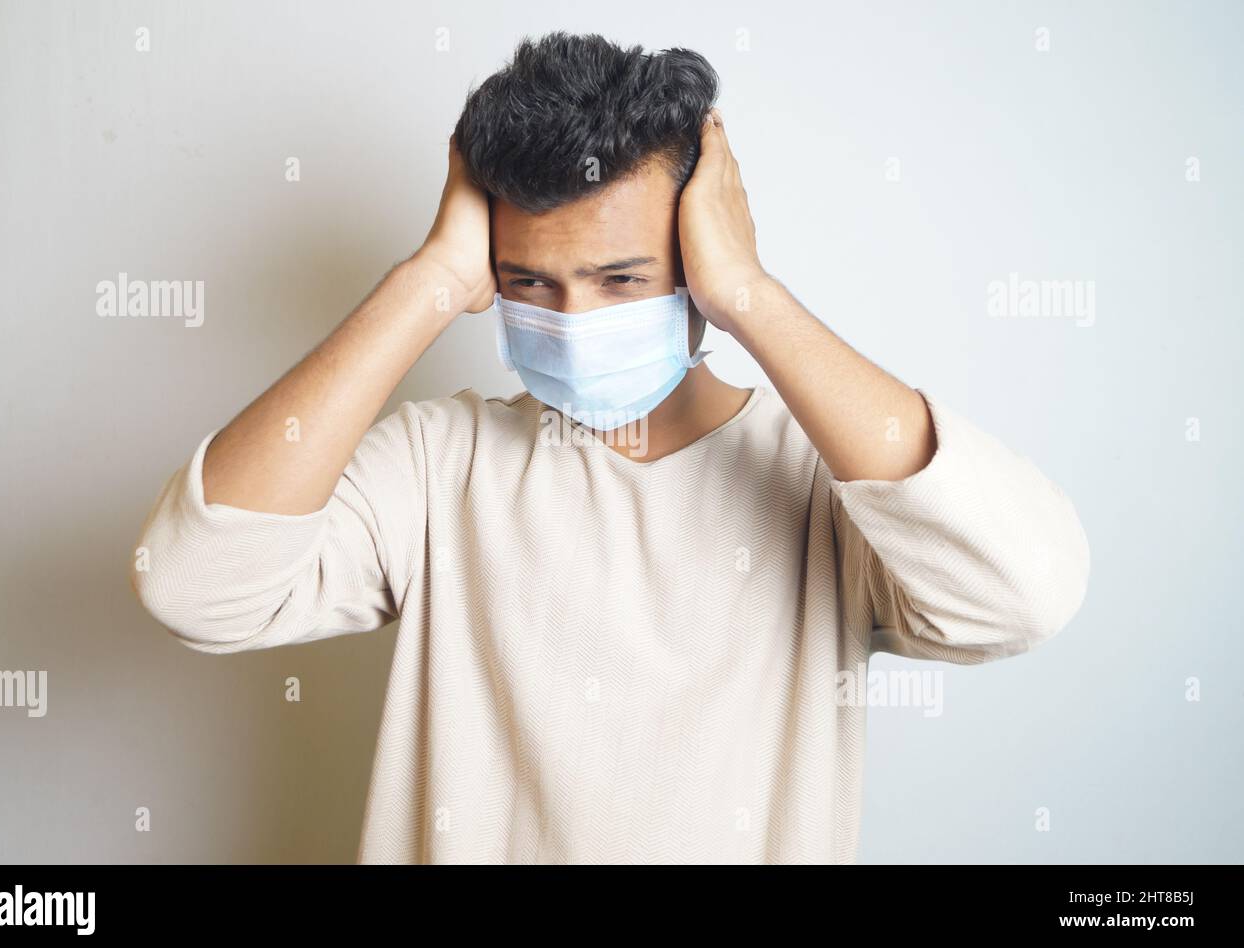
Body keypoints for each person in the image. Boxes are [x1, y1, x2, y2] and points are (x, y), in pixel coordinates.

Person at [131, 32, 1089, 863]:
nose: (574, 318)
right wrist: (431, 277)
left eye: (621, 277)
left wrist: (752, 295)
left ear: (699, 262)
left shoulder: (825, 481)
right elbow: (194, 586)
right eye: (529, 283)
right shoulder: (440, 465)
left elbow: (1023, 592)